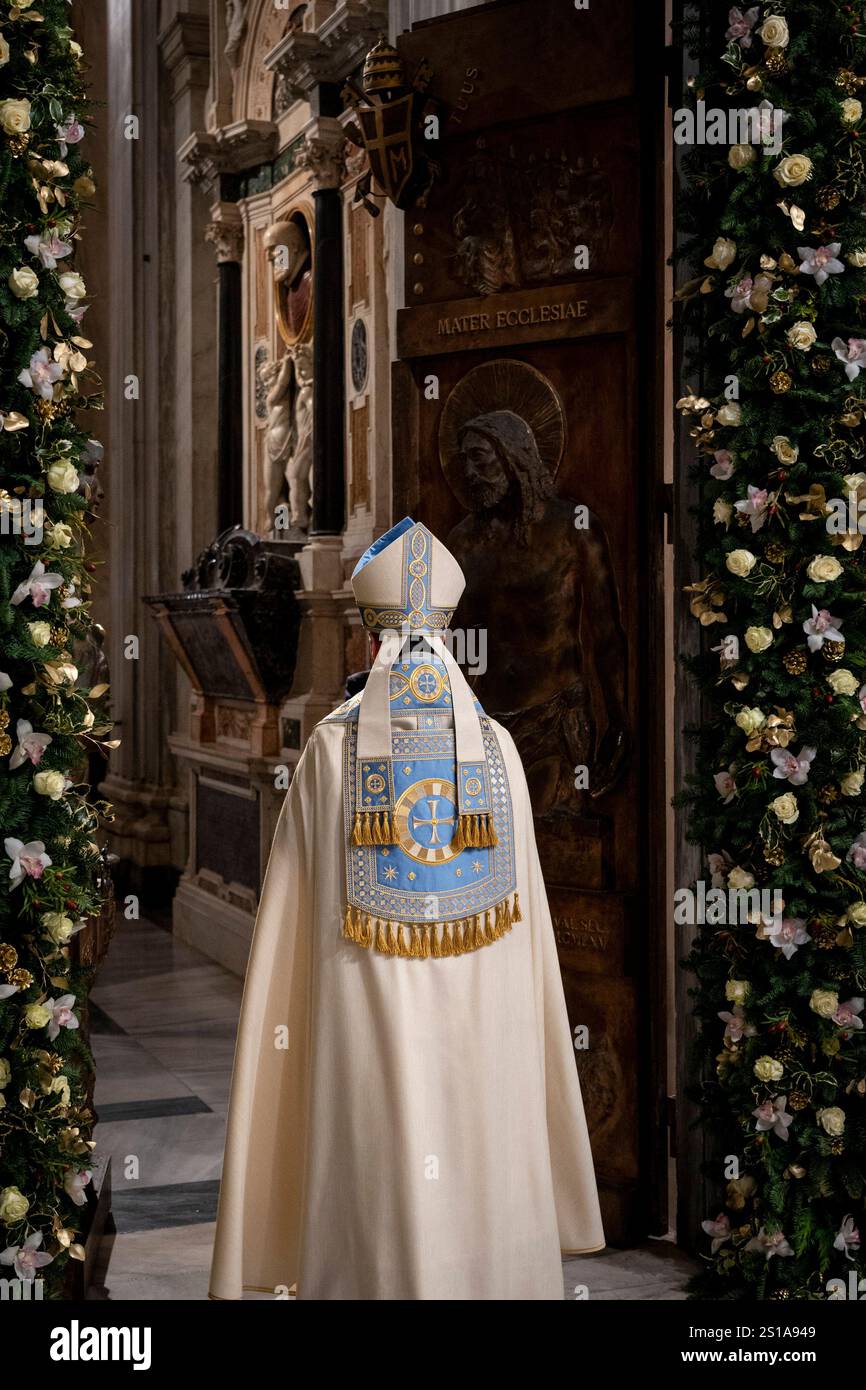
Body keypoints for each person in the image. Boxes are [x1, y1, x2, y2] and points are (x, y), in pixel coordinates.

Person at [208, 516, 604, 1301]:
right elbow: (527, 927)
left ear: (368, 636)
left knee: (382, 1152)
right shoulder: (497, 747)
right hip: (483, 1018)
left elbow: (289, 924)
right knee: (479, 1146)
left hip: (366, 1009)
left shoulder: (331, 749)